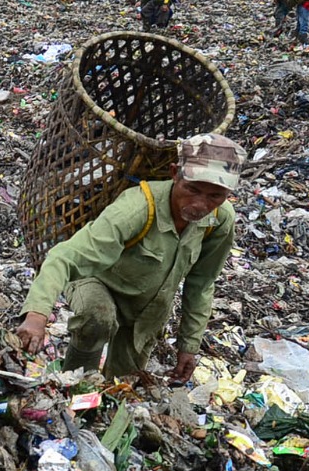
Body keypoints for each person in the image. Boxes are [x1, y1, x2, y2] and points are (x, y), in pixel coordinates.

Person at [15, 133, 244, 381]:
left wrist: (188, 346)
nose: (200, 204)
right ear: (174, 173)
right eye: (193, 189)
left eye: (215, 196)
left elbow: (201, 284)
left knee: (124, 383)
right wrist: (37, 315)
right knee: (97, 319)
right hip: (97, 282)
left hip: (148, 308)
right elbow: (64, 256)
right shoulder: (137, 208)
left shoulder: (220, 220)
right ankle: (74, 387)